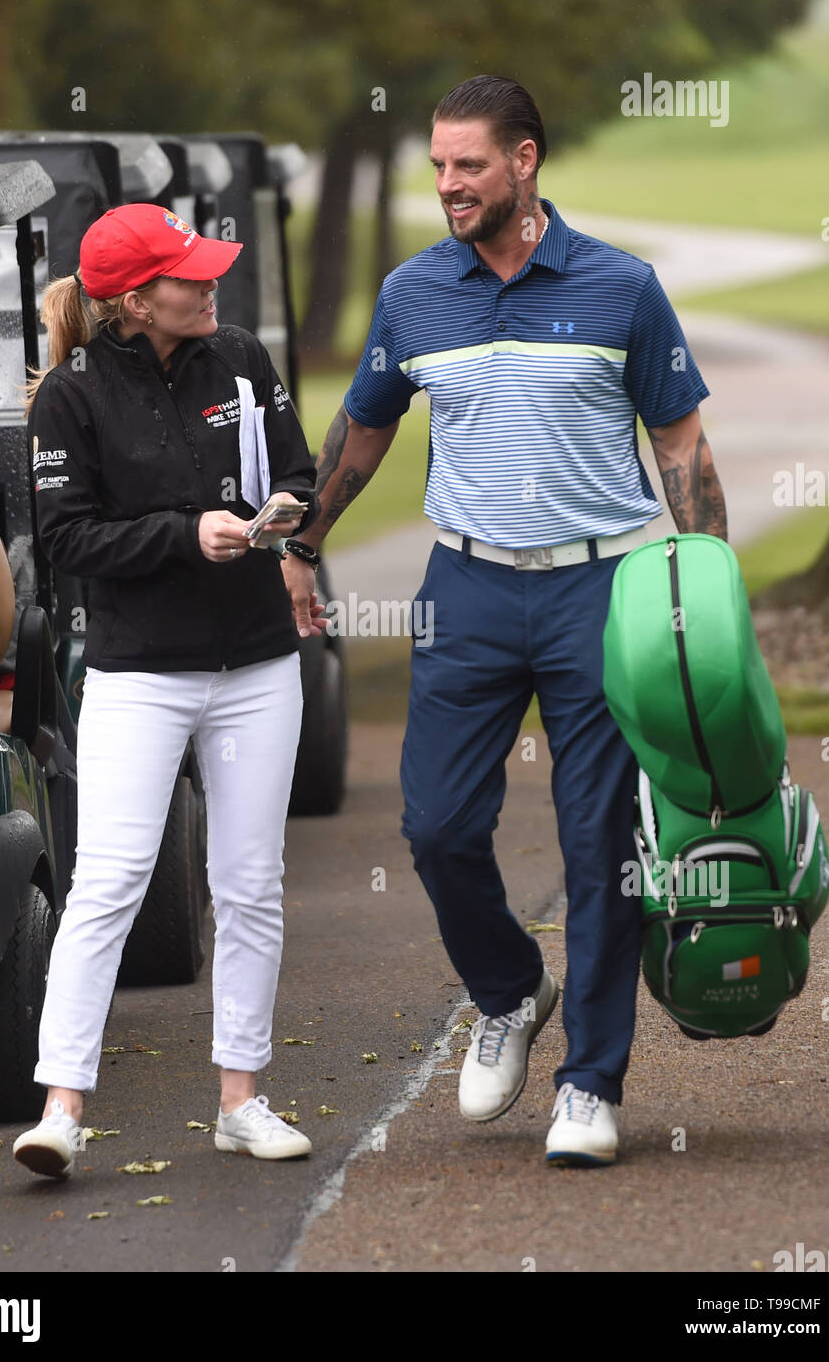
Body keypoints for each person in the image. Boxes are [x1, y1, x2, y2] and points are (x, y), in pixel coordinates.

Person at [282, 76, 727, 1166]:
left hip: (600, 590)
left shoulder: (624, 285)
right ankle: (509, 991)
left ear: (524, 162)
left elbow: (678, 442)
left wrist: (708, 588)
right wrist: (301, 538)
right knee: (435, 828)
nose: (446, 186)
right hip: (468, 589)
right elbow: (365, 429)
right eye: (436, 167)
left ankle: (590, 1082)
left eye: (467, 165)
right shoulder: (414, 292)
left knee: (600, 842)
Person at [11, 203, 325, 1176]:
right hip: (139, 672)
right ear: (138, 299)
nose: (212, 281)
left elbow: (303, 472)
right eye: (190, 274)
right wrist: (188, 533)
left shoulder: (241, 357)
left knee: (249, 883)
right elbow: (66, 541)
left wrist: (283, 526)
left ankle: (242, 1099)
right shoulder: (68, 395)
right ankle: (60, 1108)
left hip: (259, 666)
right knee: (106, 882)